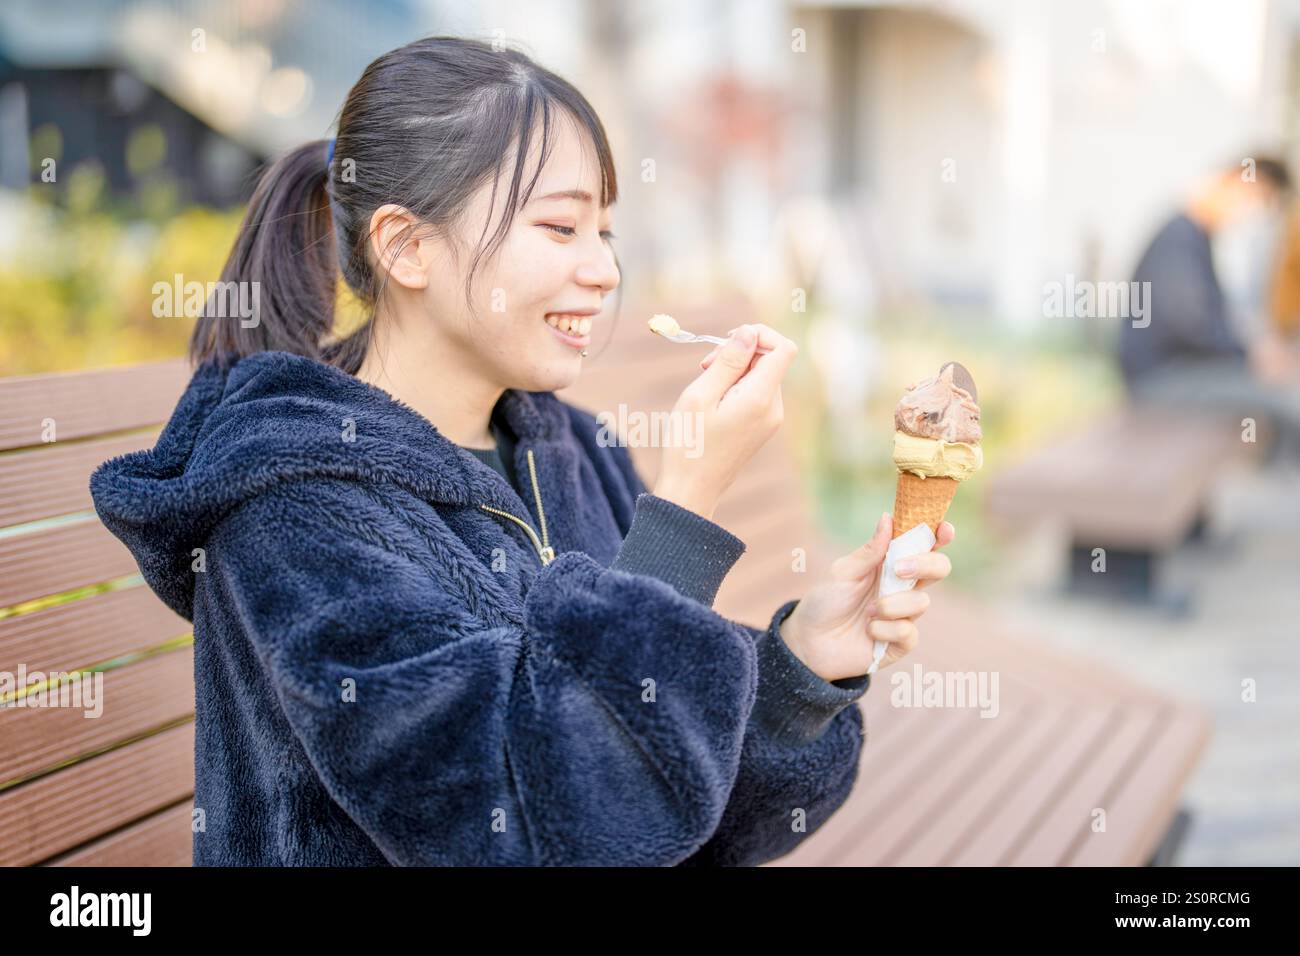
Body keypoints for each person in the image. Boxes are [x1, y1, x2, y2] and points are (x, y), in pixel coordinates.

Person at [89, 36, 954, 867]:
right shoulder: (294, 512)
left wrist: (802, 668)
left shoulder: (566, 446)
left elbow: (676, 815)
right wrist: (681, 514)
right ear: (406, 247)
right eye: (560, 228)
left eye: (605, 232)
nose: (606, 270)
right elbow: (524, 833)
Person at [1118, 155, 1300, 458]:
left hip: (1180, 372)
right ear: (1237, 182)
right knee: (1286, 398)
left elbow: (1212, 322)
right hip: (1159, 381)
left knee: (1282, 390)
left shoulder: (1195, 237)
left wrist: (1258, 351)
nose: (1251, 214)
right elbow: (1194, 325)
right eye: (1259, 199)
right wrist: (1253, 356)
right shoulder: (1179, 238)